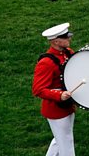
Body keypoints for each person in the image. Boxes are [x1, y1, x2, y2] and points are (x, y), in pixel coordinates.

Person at [33, 23, 77, 156]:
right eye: (66, 37)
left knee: (61, 139)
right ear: (56, 41)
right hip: (55, 109)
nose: (69, 39)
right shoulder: (46, 63)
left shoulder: (68, 53)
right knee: (66, 143)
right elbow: (38, 89)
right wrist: (59, 95)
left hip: (68, 105)